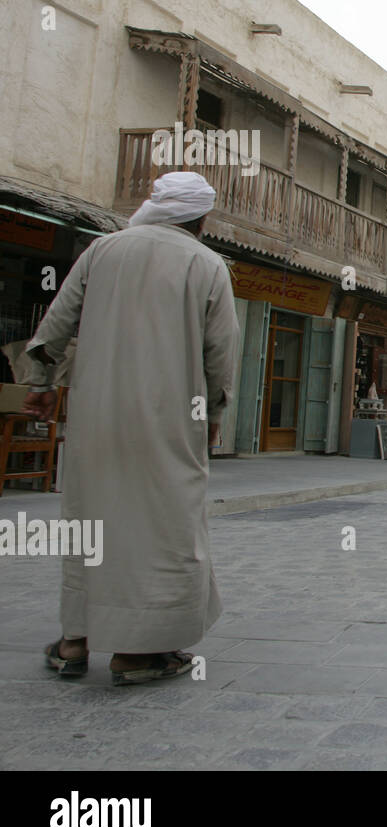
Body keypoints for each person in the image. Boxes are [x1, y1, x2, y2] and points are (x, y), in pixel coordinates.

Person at [24, 171, 239, 686]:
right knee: (165, 528)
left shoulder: (102, 251)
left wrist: (40, 382)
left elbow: (56, 324)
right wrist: (212, 416)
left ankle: (75, 642)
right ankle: (139, 653)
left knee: (90, 520)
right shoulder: (206, 264)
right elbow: (221, 354)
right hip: (170, 421)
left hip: (96, 417)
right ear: (201, 219)